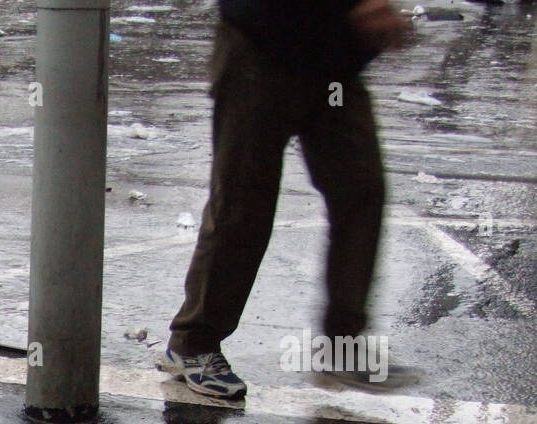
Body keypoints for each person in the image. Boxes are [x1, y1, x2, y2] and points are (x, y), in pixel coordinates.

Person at [159, 0, 417, 400]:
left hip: (334, 66)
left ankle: (342, 347)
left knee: (360, 190)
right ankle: (193, 344)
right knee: (243, 203)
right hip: (261, 47)